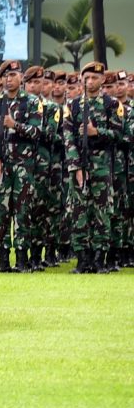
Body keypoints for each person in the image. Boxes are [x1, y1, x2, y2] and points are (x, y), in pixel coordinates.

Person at [0, 60, 43, 273]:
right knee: (1, 211)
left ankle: (22, 259)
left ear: (21, 77)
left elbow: (37, 131)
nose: (9, 79)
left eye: (13, 75)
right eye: (5, 76)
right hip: (1, 165)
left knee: (22, 211)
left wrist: (15, 125)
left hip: (23, 165)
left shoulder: (32, 102)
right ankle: (2, 259)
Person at [64, 61, 124, 274]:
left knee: (101, 211)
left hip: (101, 166)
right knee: (78, 211)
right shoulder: (72, 105)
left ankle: (99, 259)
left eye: (94, 78)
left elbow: (118, 135)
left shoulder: (111, 104)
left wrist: (96, 132)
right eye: (87, 78)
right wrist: (76, 166)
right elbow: (68, 137)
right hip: (79, 165)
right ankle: (82, 259)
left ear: (103, 80)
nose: (90, 82)